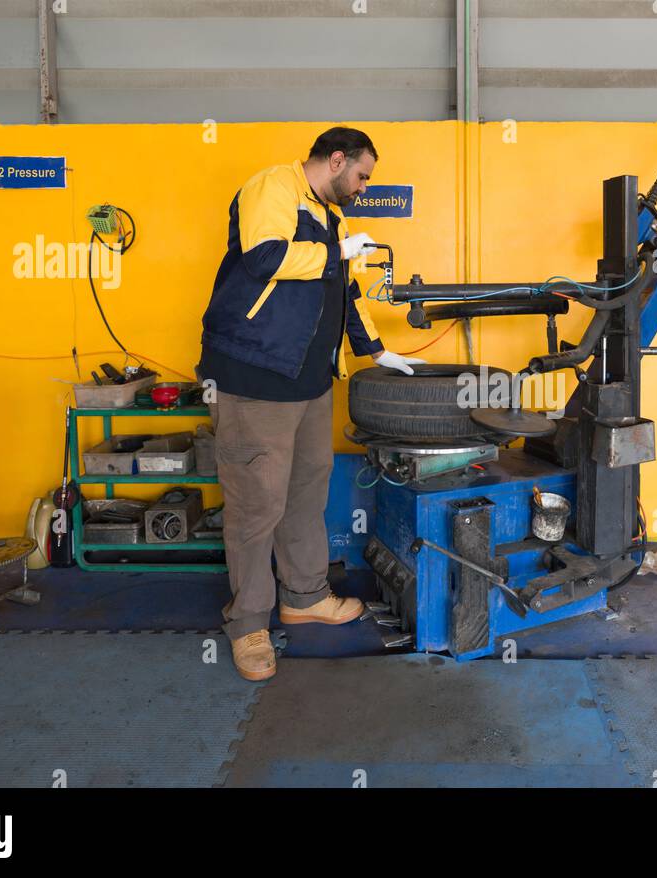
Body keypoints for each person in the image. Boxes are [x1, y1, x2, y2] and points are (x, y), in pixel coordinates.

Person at [198, 127, 424, 681]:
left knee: (304, 493)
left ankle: (303, 596)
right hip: (256, 376)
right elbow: (264, 258)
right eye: (362, 176)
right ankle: (248, 623)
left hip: (311, 382)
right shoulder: (272, 187)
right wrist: (334, 252)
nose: (364, 188)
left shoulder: (331, 217)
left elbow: (343, 293)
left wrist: (376, 350)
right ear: (338, 159)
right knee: (256, 505)